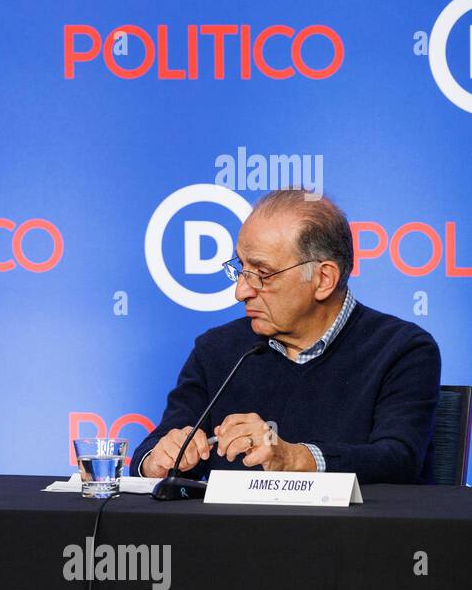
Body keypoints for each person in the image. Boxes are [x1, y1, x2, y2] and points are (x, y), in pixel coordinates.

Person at [134, 189, 440, 485]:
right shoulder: (218, 350)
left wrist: (297, 459)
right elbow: (155, 448)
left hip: (353, 535)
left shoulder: (403, 350)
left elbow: (399, 460)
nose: (241, 291)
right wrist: (158, 459)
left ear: (323, 279)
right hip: (232, 535)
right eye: (242, 268)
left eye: (262, 274)